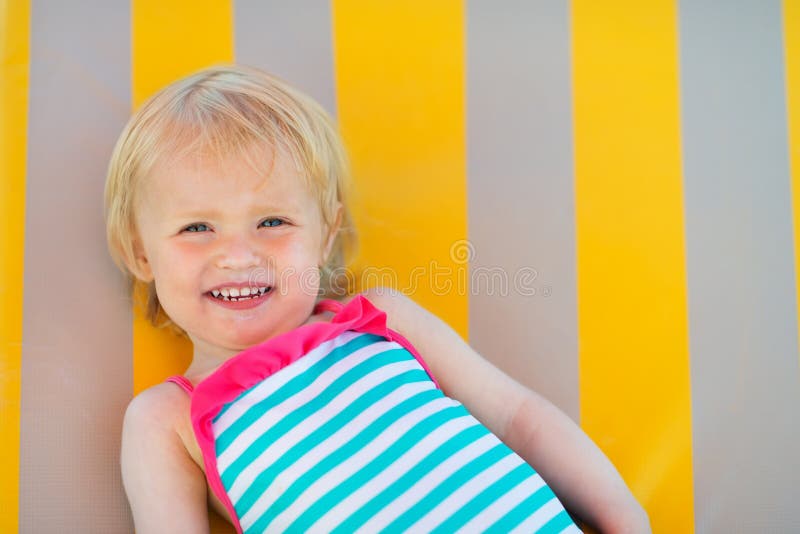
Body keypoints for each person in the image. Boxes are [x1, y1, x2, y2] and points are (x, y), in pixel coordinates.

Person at [106, 64, 650, 533]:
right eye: (197, 228)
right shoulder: (166, 419)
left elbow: (517, 417)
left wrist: (624, 518)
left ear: (324, 234)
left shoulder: (381, 318)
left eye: (272, 221)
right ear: (141, 254)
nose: (238, 255)